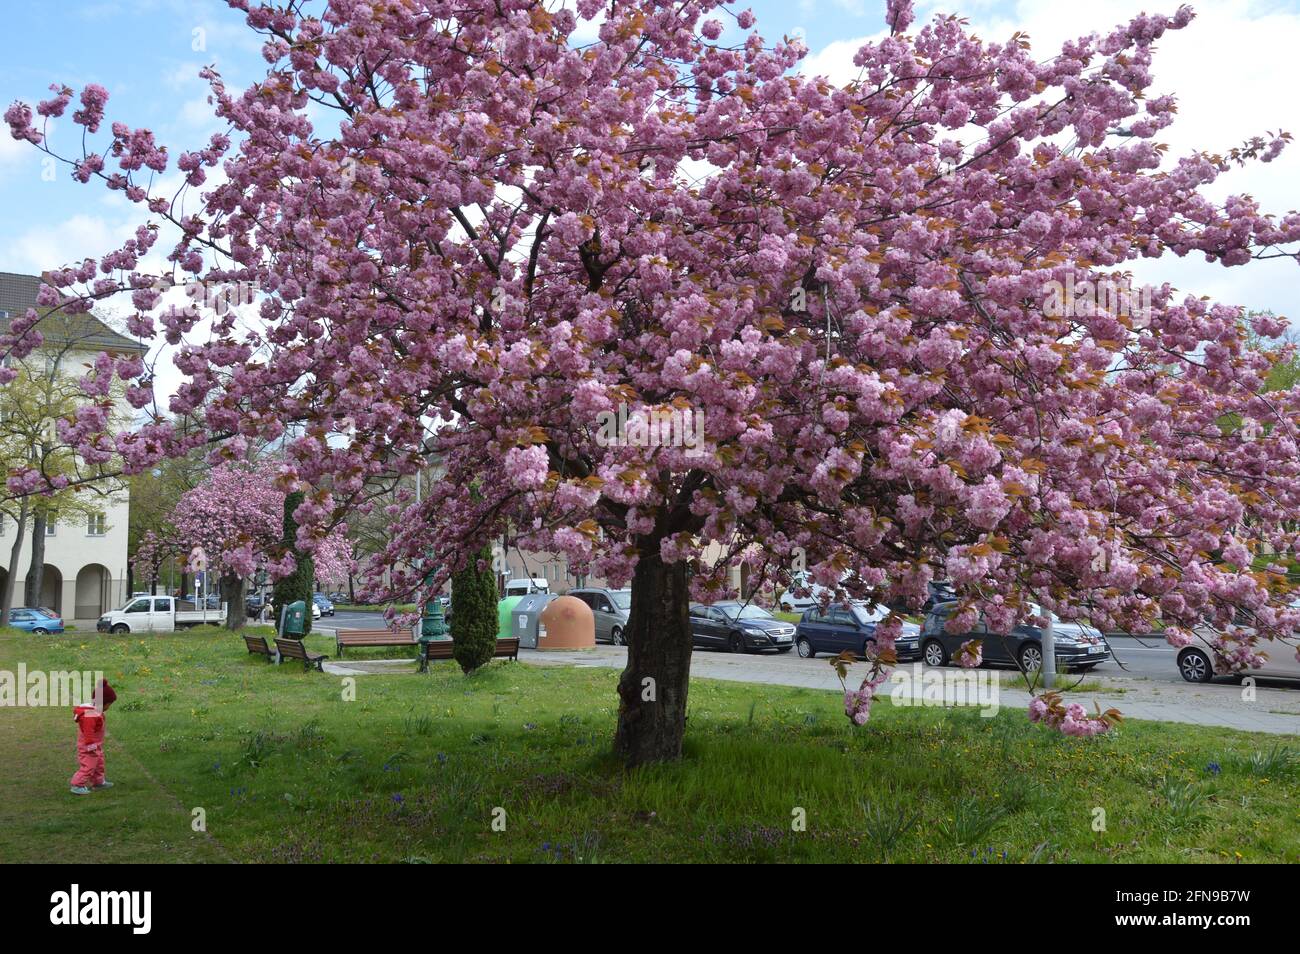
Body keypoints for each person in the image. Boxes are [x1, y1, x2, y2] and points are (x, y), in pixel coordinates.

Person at [69, 679, 116, 795]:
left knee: (99, 764)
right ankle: (77, 785)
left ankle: (98, 782)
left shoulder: (96, 712)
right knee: (88, 766)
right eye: (109, 704)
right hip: (89, 746)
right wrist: (91, 746)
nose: (109, 707)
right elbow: (88, 733)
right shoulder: (90, 715)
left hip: (96, 745)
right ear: (104, 703)